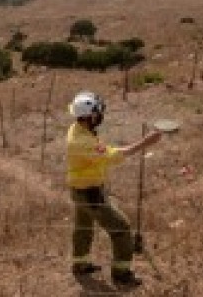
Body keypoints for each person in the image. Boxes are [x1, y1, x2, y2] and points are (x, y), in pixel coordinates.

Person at [66, 91, 162, 288]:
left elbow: (102, 152)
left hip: (80, 189)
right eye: (97, 113)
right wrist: (145, 143)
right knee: (121, 228)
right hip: (90, 193)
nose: (100, 117)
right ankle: (121, 273)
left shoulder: (78, 130)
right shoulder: (82, 142)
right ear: (88, 116)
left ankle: (80, 264)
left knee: (83, 228)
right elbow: (112, 155)